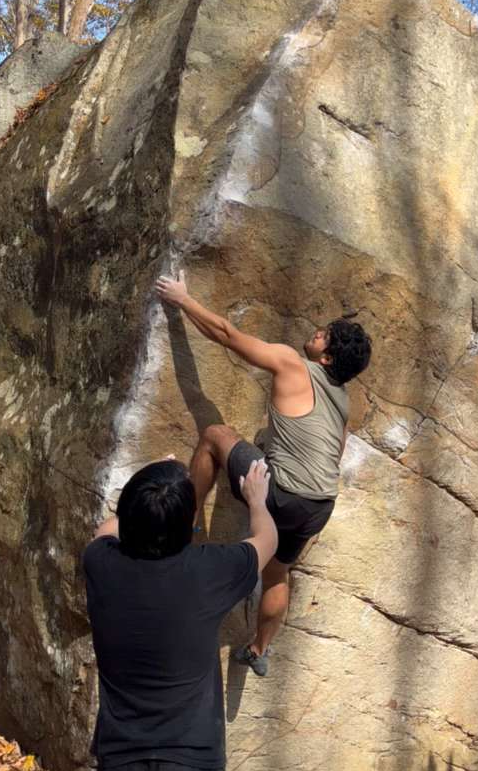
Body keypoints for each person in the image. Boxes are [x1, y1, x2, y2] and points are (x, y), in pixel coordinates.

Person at [84, 456, 277, 771]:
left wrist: (152, 478)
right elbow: (266, 542)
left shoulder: (100, 565)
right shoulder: (210, 571)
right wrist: (257, 499)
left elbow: (107, 529)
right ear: (189, 526)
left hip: (121, 765)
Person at [155, 272, 372, 677]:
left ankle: (184, 524)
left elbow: (225, 334)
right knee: (277, 572)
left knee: (215, 436)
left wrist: (182, 300)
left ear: (325, 358)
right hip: (318, 505)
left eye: (323, 335)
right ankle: (258, 648)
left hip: (283, 492)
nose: (316, 332)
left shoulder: (294, 364)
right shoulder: (343, 403)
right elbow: (334, 454)